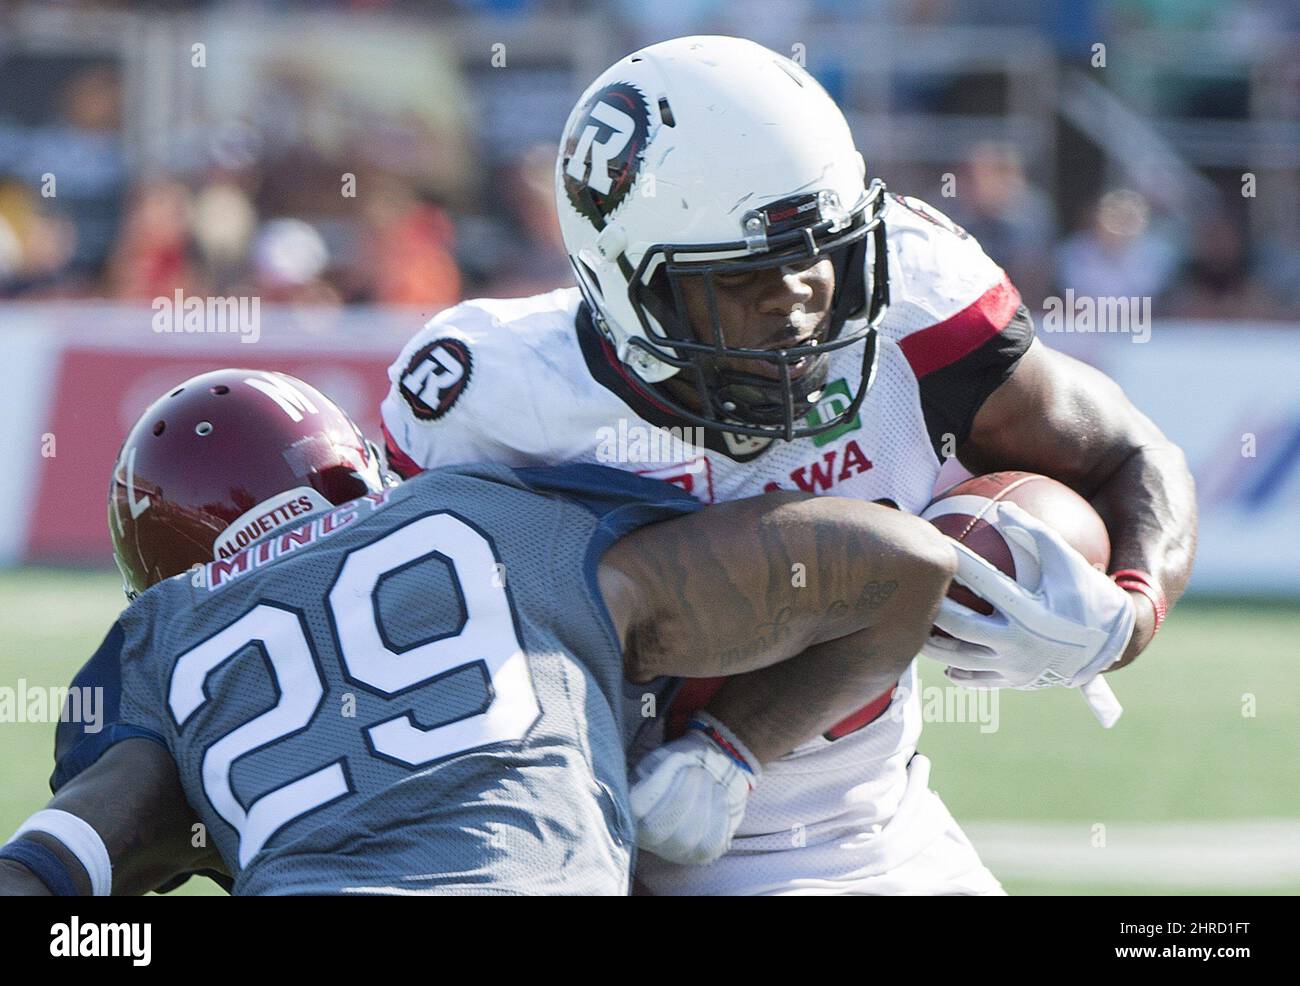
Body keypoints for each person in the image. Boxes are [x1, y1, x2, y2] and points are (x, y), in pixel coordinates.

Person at [379, 36, 1197, 895]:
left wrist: (1130, 613)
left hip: (862, 841)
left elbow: (1129, 451)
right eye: (744, 278)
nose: (801, 301)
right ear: (625, 281)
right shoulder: (494, 398)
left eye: (823, 256)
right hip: (565, 852)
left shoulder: (916, 302)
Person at [0, 367, 963, 896]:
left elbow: (56, 873)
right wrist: (727, 749)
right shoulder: (505, 512)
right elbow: (906, 566)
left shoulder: (161, 641)